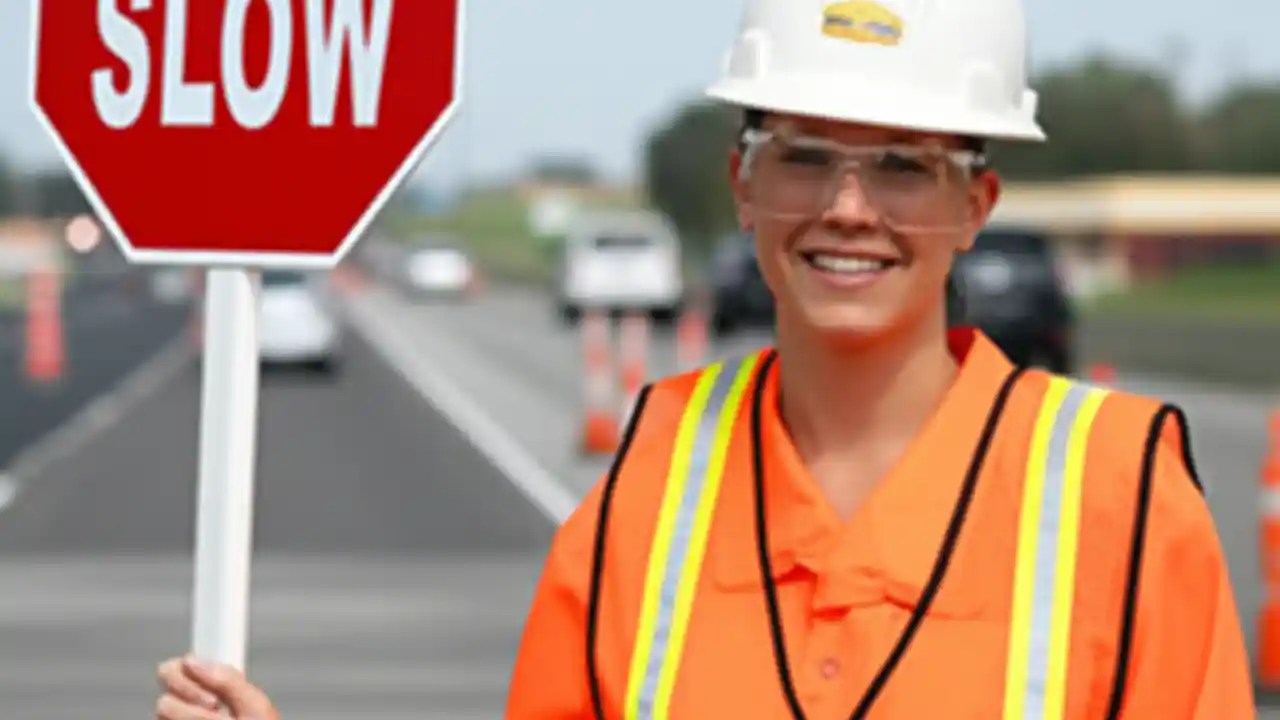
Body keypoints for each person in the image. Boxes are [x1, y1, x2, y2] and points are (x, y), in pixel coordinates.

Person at [154, 0, 1255, 718]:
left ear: (976, 204)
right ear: (740, 185)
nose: (845, 208)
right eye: (803, 156)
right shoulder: (652, 482)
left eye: (902, 169)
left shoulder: (1118, 495)